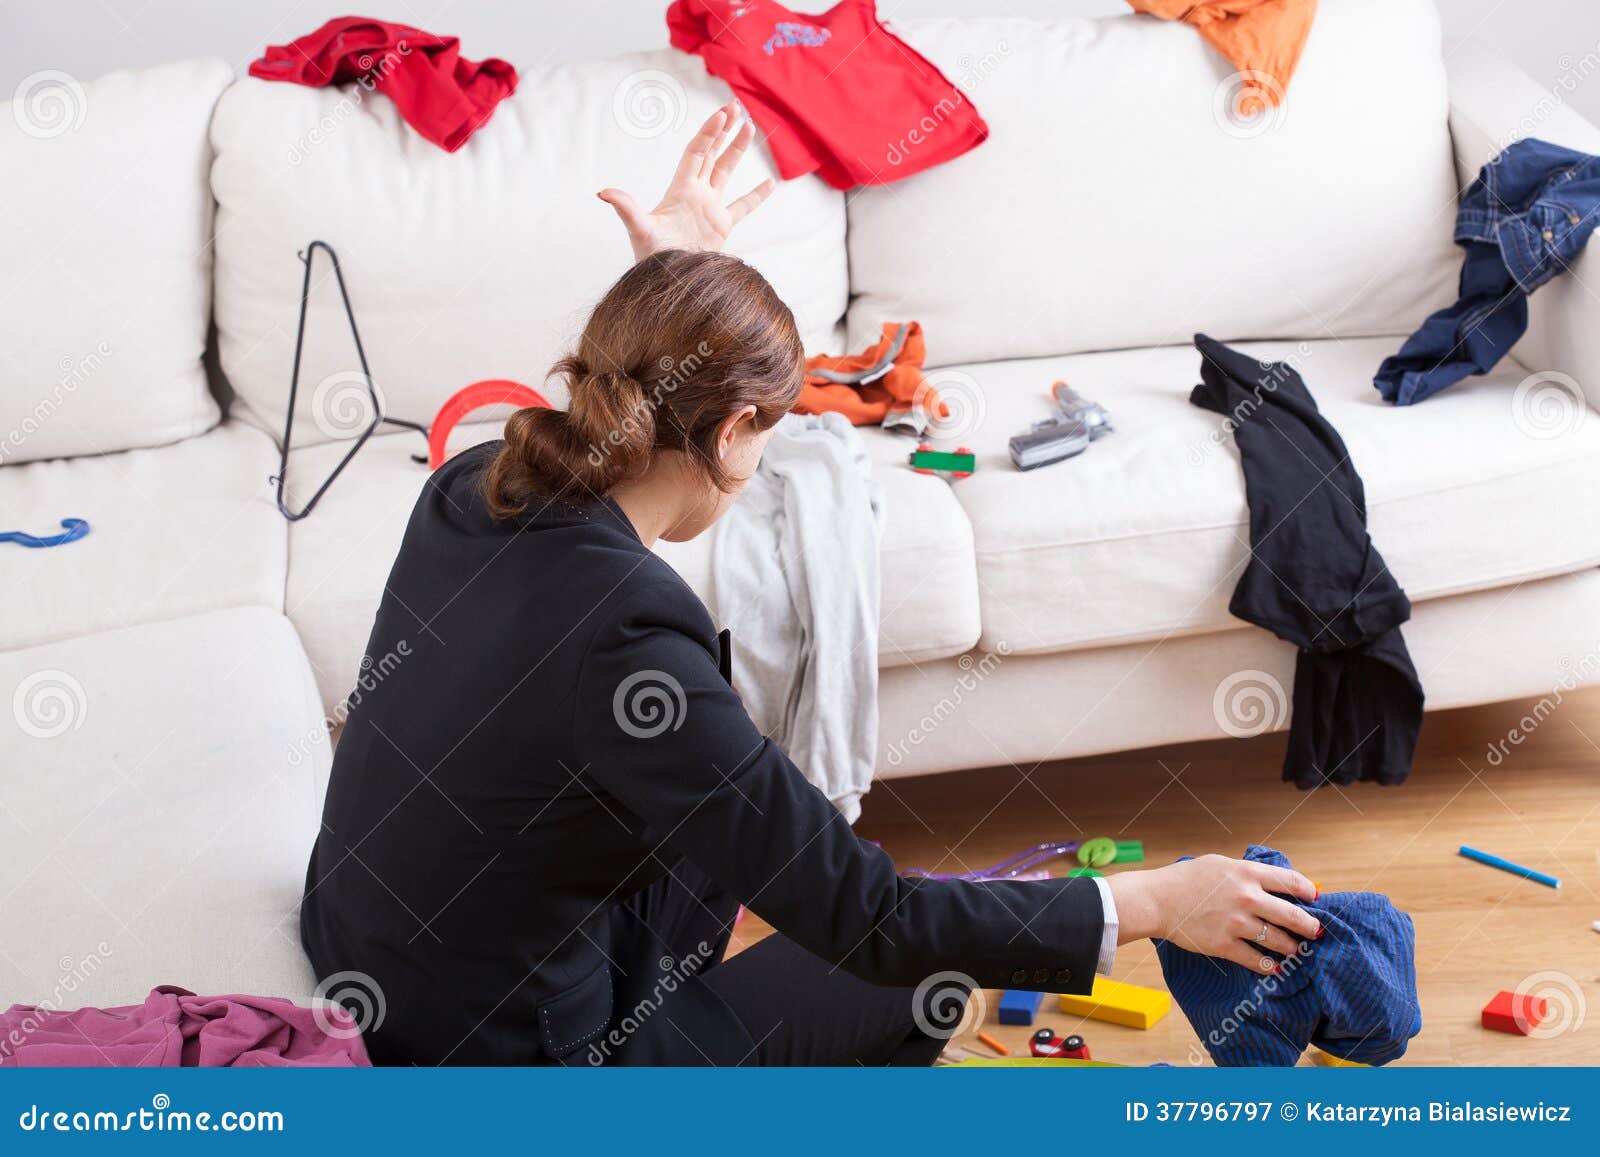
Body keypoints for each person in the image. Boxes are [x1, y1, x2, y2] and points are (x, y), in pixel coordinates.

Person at [299, 104, 1323, 1066]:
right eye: (763, 437)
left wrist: (684, 302)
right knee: (917, 970)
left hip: (379, 944)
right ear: (736, 430)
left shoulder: (470, 484)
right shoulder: (629, 640)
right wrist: (1151, 900)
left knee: (736, 803)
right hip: (506, 1060)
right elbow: (877, 921)